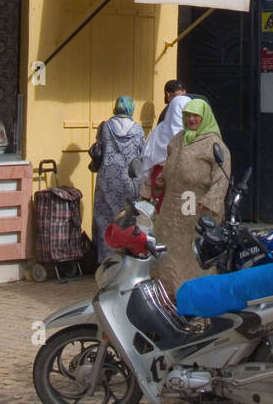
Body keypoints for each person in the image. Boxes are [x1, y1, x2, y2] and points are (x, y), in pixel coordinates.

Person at [152, 98, 230, 297]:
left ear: (204, 117)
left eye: (196, 115)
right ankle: (167, 294)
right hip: (171, 205)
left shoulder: (213, 143)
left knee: (189, 252)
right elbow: (170, 164)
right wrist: (161, 179)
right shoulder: (177, 139)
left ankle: (194, 297)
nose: (191, 119)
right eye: (187, 115)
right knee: (167, 250)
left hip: (195, 205)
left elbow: (222, 179)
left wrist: (209, 205)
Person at [92, 97, 146, 261]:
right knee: (128, 218)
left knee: (105, 218)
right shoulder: (138, 129)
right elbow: (142, 153)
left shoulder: (105, 127)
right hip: (131, 180)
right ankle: (127, 257)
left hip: (107, 179)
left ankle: (107, 258)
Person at [142, 91, 190, 211]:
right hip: (173, 180)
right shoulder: (192, 134)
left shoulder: (159, 130)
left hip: (160, 178)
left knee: (164, 216)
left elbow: (147, 159)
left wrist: (147, 184)